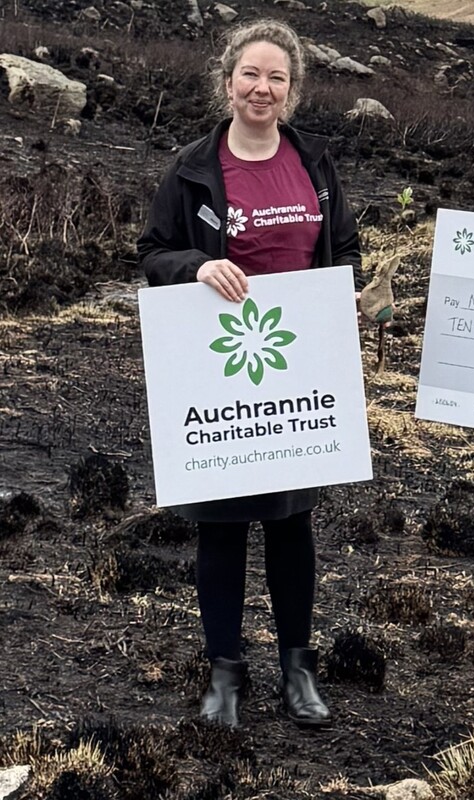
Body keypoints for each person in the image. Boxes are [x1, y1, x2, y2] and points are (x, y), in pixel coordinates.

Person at [138, 19, 362, 729]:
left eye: (276, 78)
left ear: (291, 90)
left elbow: (344, 249)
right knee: (222, 526)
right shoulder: (192, 167)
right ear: (228, 80)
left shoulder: (314, 165)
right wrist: (197, 266)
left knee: (291, 522)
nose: (262, 88)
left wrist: (340, 303)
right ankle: (225, 674)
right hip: (219, 369)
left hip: (295, 369)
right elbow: (154, 252)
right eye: (250, 75)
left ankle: (299, 670)